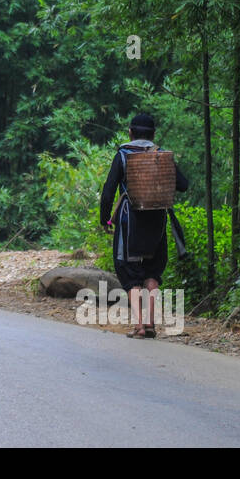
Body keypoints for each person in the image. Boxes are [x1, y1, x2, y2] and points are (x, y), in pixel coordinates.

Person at [99, 113, 190, 338]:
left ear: (130, 132)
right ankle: (150, 324)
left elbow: (109, 190)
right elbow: (183, 185)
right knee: (152, 270)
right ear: (153, 135)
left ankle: (139, 325)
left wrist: (105, 219)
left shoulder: (123, 155)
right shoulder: (161, 155)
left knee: (130, 272)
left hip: (130, 220)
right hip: (158, 219)